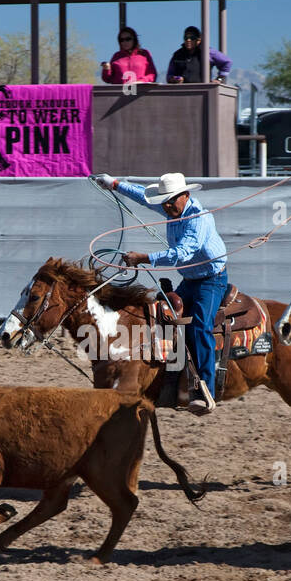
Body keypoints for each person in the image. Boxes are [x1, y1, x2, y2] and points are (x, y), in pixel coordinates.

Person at [94, 171, 228, 415]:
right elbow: (143, 196)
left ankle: (206, 389)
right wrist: (114, 184)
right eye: (164, 201)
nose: (166, 205)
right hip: (190, 279)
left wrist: (144, 258)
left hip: (212, 280)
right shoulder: (172, 209)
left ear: (185, 195)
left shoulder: (199, 219)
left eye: (171, 200)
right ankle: (171, 379)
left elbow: (183, 252)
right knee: (164, 318)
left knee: (199, 326)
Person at [165, 26, 231, 84]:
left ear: (199, 40)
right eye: (186, 38)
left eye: (192, 38)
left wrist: (219, 79)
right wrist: (174, 79)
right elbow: (169, 76)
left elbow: (227, 62)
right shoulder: (177, 55)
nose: (188, 40)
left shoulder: (208, 52)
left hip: (202, 93)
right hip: (182, 93)